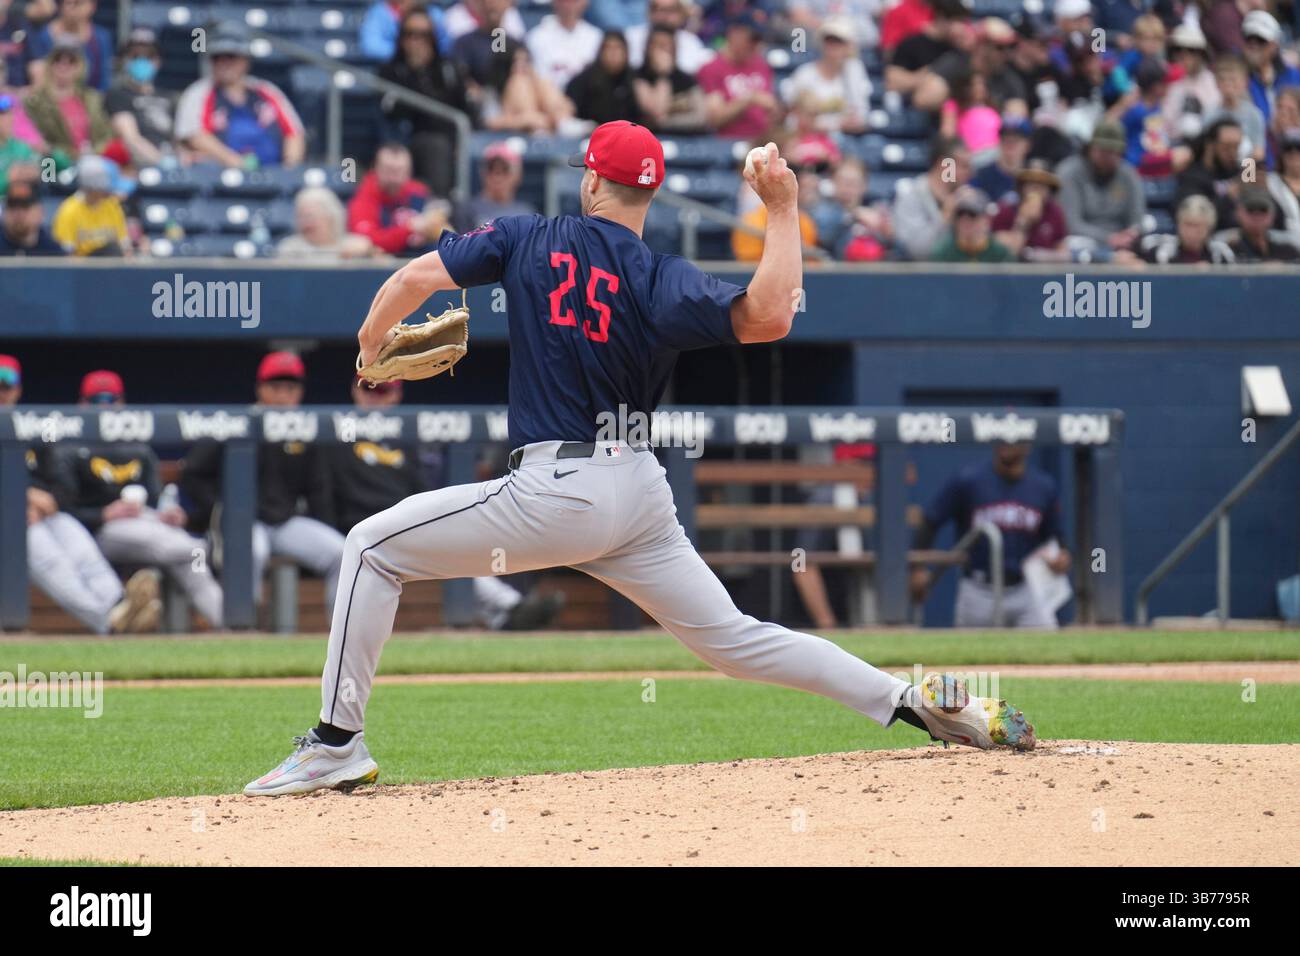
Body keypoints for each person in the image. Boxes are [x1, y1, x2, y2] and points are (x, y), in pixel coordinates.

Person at [244, 120, 1037, 796]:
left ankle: (335, 744)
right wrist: (785, 211)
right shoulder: (660, 277)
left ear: (593, 182)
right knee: (736, 638)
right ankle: (912, 700)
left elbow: (417, 275)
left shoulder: (526, 235)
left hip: (557, 490)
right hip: (638, 493)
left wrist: (369, 342)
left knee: (369, 548)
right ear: (647, 195)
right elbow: (768, 318)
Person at [328, 376, 566, 630]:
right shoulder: (337, 433)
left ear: (396, 396)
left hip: (399, 525)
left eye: (383, 391)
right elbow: (323, 490)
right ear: (354, 390)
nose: (374, 398)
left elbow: (419, 492)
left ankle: (510, 609)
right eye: (368, 389)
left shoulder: (407, 439)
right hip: (354, 526)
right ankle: (343, 632)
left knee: (456, 545)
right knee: (342, 551)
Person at [0, 355, 161, 635]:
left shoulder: (34, 429)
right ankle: (110, 621)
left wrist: (43, 501)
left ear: (18, 390)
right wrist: (20, 496)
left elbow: (60, 484)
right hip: (12, 521)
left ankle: (119, 604)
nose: (1, 393)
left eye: (6, 386)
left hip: (43, 515)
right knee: (49, 557)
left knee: (77, 541)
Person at [181, 352, 346, 617]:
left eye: (290, 388)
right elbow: (192, 474)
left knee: (341, 552)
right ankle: (245, 628)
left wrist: (322, 526)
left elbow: (319, 489)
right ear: (260, 389)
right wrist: (222, 508)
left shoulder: (304, 429)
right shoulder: (237, 422)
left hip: (284, 523)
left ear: (300, 393)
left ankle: (340, 633)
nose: (283, 395)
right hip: (244, 522)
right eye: (276, 387)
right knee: (252, 551)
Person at [63, 369, 225, 629]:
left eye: (111, 400)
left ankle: (230, 627)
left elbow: (158, 498)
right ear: (82, 405)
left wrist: (169, 513)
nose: (105, 407)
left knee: (194, 569)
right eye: (96, 401)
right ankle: (205, 547)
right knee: (184, 550)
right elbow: (64, 508)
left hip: (148, 526)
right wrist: (103, 513)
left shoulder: (138, 447)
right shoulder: (69, 447)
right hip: (101, 533)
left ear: (122, 403)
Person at [911, 442, 1070, 629]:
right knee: (970, 652)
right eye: (1002, 439)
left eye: (1013, 440)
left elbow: (1055, 536)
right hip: (979, 589)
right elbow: (930, 521)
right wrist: (918, 568)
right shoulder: (968, 480)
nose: (1006, 445)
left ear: (1027, 446)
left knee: (1045, 650)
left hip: (1026, 588)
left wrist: (1062, 556)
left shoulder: (1043, 487)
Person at [175, 23, 305, 169]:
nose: (224, 63)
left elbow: (294, 133)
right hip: (221, 176)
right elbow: (194, 136)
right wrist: (233, 160)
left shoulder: (266, 91)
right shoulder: (199, 92)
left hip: (274, 173)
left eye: (231, 57)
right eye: (218, 58)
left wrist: (289, 169)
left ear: (245, 60)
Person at [378, 7, 471, 195]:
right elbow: (391, 111)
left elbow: (465, 108)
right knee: (434, 145)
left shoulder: (448, 69)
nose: (417, 42)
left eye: (424, 35)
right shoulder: (391, 70)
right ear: (402, 38)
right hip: (407, 140)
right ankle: (440, 203)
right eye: (411, 34)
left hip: (452, 140)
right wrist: (416, 73)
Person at [1055, 119, 1146, 253]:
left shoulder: (1129, 175)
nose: (1108, 155)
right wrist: (1108, 238)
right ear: (1090, 147)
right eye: (1103, 150)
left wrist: (1131, 233)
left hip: (1122, 245)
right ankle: (1071, 276)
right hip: (1082, 244)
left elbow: (1137, 219)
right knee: (1073, 246)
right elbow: (1070, 223)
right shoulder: (1069, 172)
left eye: (1113, 151)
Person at [22, 35, 111, 163]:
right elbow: (37, 142)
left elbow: (106, 135)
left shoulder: (93, 98)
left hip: (94, 160)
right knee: (48, 171)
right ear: (50, 64)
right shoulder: (34, 102)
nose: (64, 65)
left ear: (80, 66)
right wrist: (71, 154)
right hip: (52, 162)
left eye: (71, 60)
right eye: (58, 59)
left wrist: (94, 152)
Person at [347, 142, 446, 256]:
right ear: (375, 169)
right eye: (389, 170)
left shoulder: (418, 192)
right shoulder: (363, 199)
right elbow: (368, 241)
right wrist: (409, 229)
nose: (394, 177)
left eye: (400, 171)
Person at [778, 17, 871, 135]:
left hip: (844, 140)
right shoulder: (805, 74)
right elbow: (793, 119)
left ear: (849, 46)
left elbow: (861, 118)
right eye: (829, 40)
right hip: (809, 140)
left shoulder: (854, 70)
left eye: (839, 41)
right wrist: (836, 124)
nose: (833, 46)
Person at [697, 13, 780, 139]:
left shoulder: (761, 65)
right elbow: (715, 118)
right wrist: (749, 99)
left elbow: (771, 108)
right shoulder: (712, 68)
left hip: (762, 141)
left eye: (758, 40)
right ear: (734, 34)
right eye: (752, 39)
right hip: (728, 142)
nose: (755, 46)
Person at [104, 28, 175, 168]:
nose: (142, 61)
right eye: (135, 56)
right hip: (139, 163)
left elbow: (179, 138)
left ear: (158, 61)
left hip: (171, 156)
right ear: (124, 61)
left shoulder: (170, 98)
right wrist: (161, 163)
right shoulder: (117, 95)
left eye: (149, 56)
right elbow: (131, 138)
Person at [892, 134, 971, 259]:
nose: (969, 172)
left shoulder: (966, 196)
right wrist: (945, 217)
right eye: (963, 165)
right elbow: (916, 251)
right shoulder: (911, 196)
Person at [1241, 9, 1300, 160]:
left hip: (1292, 161)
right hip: (1255, 162)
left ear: (1274, 45)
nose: (1254, 46)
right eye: (1249, 40)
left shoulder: (1293, 76)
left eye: (1261, 41)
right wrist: (1250, 179)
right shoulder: (1237, 80)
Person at [1176, 116, 1246, 232]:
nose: (1233, 152)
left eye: (1236, 146)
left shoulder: (1241, 173)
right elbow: (1194, 221)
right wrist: (1228, 199)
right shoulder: (1192, 177)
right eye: (1227, 147)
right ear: (1210, 145)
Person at [24, 0, 113, 91]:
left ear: (93, 6)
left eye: (79, 3)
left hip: (90, 98)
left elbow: (104, 81)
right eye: (69, 2)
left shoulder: (101, 38)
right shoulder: (42, 35)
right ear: (61, 6)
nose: (74, 7)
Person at [275, 187, 381, 262]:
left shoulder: (356, 245)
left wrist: (369, 252)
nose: (304, 223)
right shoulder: (289, 249)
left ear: (331, 218)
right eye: (300, 217)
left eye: (309, 216)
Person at [632, 24, 705, 133]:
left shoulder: (686, 79)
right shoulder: (638, 75)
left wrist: (666, 122)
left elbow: (701, 117)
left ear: (674, 48)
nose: (661, 49)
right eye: (656, 44)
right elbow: (656, 112)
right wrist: (663, 76)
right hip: (648, 137)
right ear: (647, 47)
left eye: (665, 45)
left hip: (685, 138)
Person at [52, 153, 127, 255]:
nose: (107, 193)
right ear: (90, 188)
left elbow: (124, 245)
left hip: (112, 265)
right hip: (83, 268)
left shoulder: (112, 205)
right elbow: (67, 255)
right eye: (103, 189)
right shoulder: (69, 210)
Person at [452, 140, 535, 232]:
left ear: (518, 175)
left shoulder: (526, 212)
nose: (497, 177)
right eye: (491, 168)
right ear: (482, 172)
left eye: (505, 169)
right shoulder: (467, 209)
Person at [991, 161, 1068, 259]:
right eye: (1031, 183)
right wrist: (1023, 222)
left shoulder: (1054, 211)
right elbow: (1009, 252)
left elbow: (1064, 254)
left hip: (1044, 270)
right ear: (1021, 187)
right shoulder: (1006, 209)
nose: (1036, 189)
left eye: (1042, 184)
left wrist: (1042, 256)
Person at [565, 30, 642, 126]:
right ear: (600, 52)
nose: (613, 53)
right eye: (608, 48)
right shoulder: (584, 80)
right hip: (592, 134)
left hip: (630, 133)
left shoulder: (636, 79)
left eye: (618, 48)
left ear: (626, 52)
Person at [1162, 22, 1221, 145]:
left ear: (1201, 54)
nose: (1184, 55)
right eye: (1178, 50)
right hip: (1177, 146)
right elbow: (1166, 124)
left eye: (1191, 50)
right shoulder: (1173, 86)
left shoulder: (1214, 82)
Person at [1138, 193, 1236, 263]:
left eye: (1197, 226)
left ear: (1209, 227)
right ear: (1178, 224)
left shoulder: (1221, 253)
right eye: (1187, 224)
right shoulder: (1159, 248)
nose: (1191, 232)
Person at [526, 0, 601, 91]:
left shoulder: (596, 37)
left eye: (574, 1)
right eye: (564, 1)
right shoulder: (535, 37)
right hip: (549, 96)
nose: (568, 5)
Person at [1205, 54, 1267, 163]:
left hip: (1246, 169)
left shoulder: (1254, 114)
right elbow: (1206, 151)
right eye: (1223, 80)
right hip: (1218, 169)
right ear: (1217, 83)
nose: (1228, 84)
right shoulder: (1209, 113)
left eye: (1233, 80)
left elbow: (1259, 152)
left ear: (1245, 82)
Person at [624, 0, 712, 75]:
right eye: (658, 10)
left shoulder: (691, 42)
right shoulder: (630, 38)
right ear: (649, 13)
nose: (664, 16)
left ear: (681, 14)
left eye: (670, 10)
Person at [929, 186, 1014, 262]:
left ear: (986, 220)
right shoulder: (943, 253)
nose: (965, 220)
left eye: (972, 215)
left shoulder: (1000, 253)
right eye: (960, 214)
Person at [1121, 58, 1174, 177]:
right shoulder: (1135, 110)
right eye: (1164, 83)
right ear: (1155, 86)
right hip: (1136, 164)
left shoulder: (1157, 106)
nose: (1168, 86)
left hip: (1155, 160)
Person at [1219, 184, 1300, 261]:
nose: (1257, 215)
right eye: (1251, 209)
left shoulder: (1286, 249)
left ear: (1272, 214)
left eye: (1263, 209)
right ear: (1238, 213)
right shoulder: (1226, 248)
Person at [359, 0, 448, 63]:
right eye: (410, 34)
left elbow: (446, 45)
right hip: (396, 68)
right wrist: (406, 51)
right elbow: (371, 47)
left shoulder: (434, 14)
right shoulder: (378, 12)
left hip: (432, 69)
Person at [970, 114, 1031, 202]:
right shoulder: (983, 176)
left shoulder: (1033, 177)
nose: (1010, 145)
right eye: (1005, 139)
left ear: (1028, 145)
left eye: (1016, 140)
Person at [0, 177, 63, 254]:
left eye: (25, 206)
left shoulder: (54, 253)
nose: (18, 213)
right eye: (12, 206)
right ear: (4, 212)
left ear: (40, 212)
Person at [1265, 128, 1300, 240]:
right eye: (1289, 150)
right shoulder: (1270, 182)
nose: (1294, 155)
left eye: (1298, 150)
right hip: (1284, 240)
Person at [0, 94, 37, 193]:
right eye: (3, 115)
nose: (10, 119)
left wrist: (35, 173)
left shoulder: (22, 147)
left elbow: (45, 172)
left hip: (21, 203)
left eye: (10, 114)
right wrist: (8, 178)